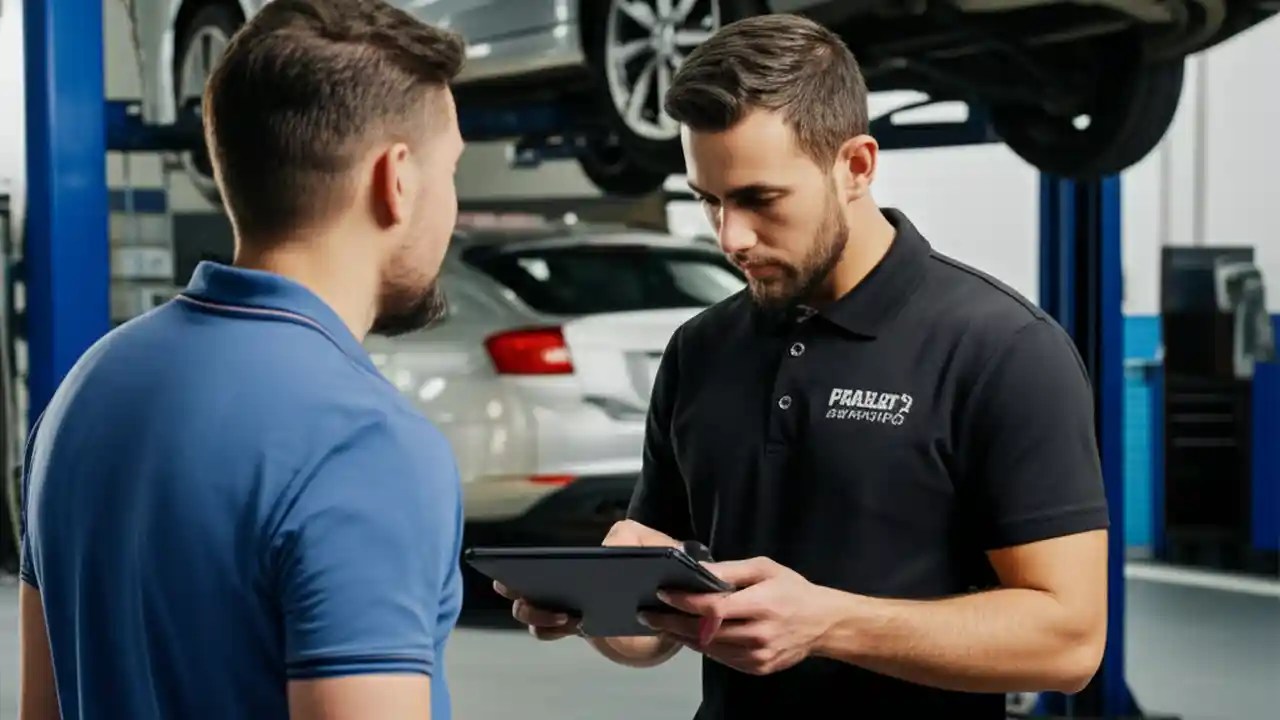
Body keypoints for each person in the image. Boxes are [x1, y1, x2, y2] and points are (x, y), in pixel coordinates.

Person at [498, 13, 1110, 718]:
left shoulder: (1001, 350)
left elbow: (1069, 644)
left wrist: (829, 623)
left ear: (855, 166)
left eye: (760, 199)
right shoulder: (701, 350)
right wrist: (599, 604)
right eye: (709, 201)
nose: (731, 236)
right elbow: (656, 635)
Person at [18, 1, 466, 718]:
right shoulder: (364, 444)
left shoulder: (82, 396)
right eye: (452, 172)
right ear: (398, 179)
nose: (453, 206)